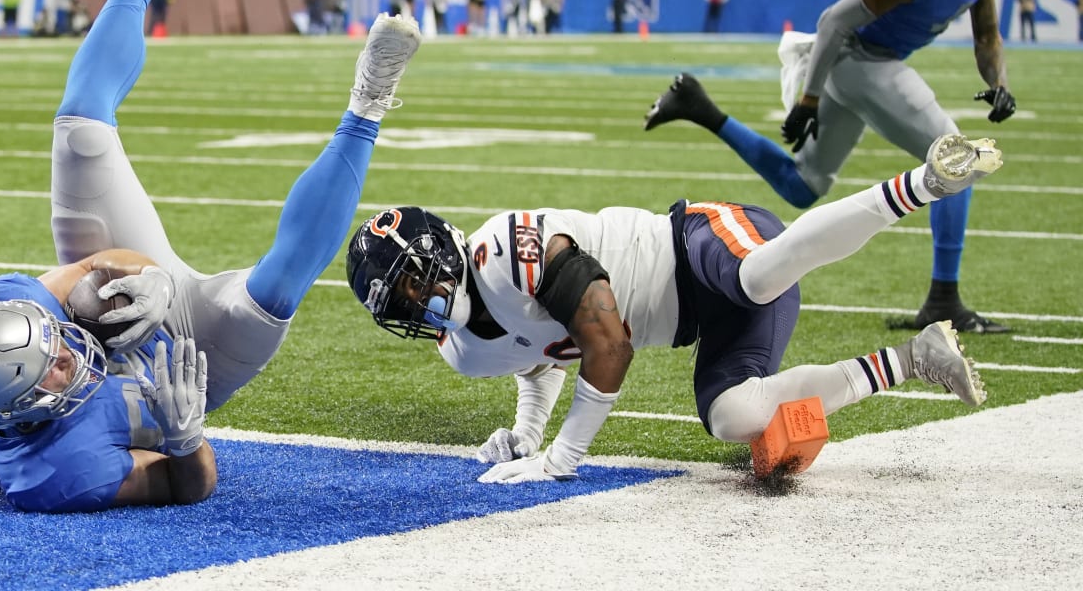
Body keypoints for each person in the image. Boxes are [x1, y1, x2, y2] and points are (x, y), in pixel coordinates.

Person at [0, 0, 423, 513]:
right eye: (49, 373)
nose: (65, 359)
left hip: (127, 299)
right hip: (192, 360)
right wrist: (186, 439)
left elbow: (88, 270)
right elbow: (191, 488)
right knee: (273, 292)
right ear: (19, 411)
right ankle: (369, 104)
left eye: (49, 345)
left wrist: (149, 278)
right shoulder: (55, 476)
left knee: (79, 129)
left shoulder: (0, 314)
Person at [345, 132, 1000, 483]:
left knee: (752, 279)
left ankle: (925, 184)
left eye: (411, 284)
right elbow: (533, 354)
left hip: (699, 246)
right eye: (398, 307)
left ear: (438, 254)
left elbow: (610, 342)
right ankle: (914, 357)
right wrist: (526, 436)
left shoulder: (505, 249)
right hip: (700, 323)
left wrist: (561, 458)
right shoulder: (459, 347)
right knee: (732, 416)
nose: (417, 307)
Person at [643, 0, 1023, 334]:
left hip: (868, 61)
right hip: (855, 58)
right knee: (955, 157)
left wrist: (998, 81)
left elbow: (986, 33)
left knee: (803, 186)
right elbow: (833, 22)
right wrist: (809, 98)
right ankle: (944, 300)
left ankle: (700, 108)